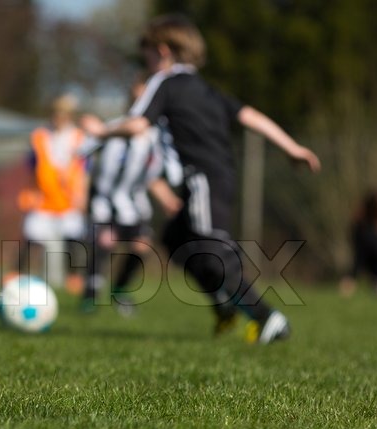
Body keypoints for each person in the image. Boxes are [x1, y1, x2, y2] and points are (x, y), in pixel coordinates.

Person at [82, 14, 321, 344]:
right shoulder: (206, 89)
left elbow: (138, 124)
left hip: (203, 180)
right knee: (175, 238)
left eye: (146, 54)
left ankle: (268, 318)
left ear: (163, 51)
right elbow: (250, 116)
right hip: (216, 178)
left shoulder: (163, 82)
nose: (145, 61)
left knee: (212, 251)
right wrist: (291, 147)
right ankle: (223, 303)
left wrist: (101, 131)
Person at [82, 74, 183, 316]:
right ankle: (90, 296)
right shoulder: (114, 127)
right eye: (136, 98)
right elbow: (82, 155)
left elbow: (151, 177)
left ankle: (120, 291)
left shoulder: (157, 138)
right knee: (105, 241)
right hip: (106, 201)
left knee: (142, 246)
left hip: (134, 204)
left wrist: (168, 199)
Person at [18, 94, 88, 293]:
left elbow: (85, 168)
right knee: (31, 235)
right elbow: (32, 166)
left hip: (68, 198)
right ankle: (16, 274)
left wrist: (82, 195)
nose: (59, 117)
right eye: (57, 113)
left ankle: (74, 278)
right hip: (44, 197)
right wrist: (30, 191)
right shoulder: (40, 136)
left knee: (73, 238)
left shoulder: (79, 137)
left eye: (64, 114)